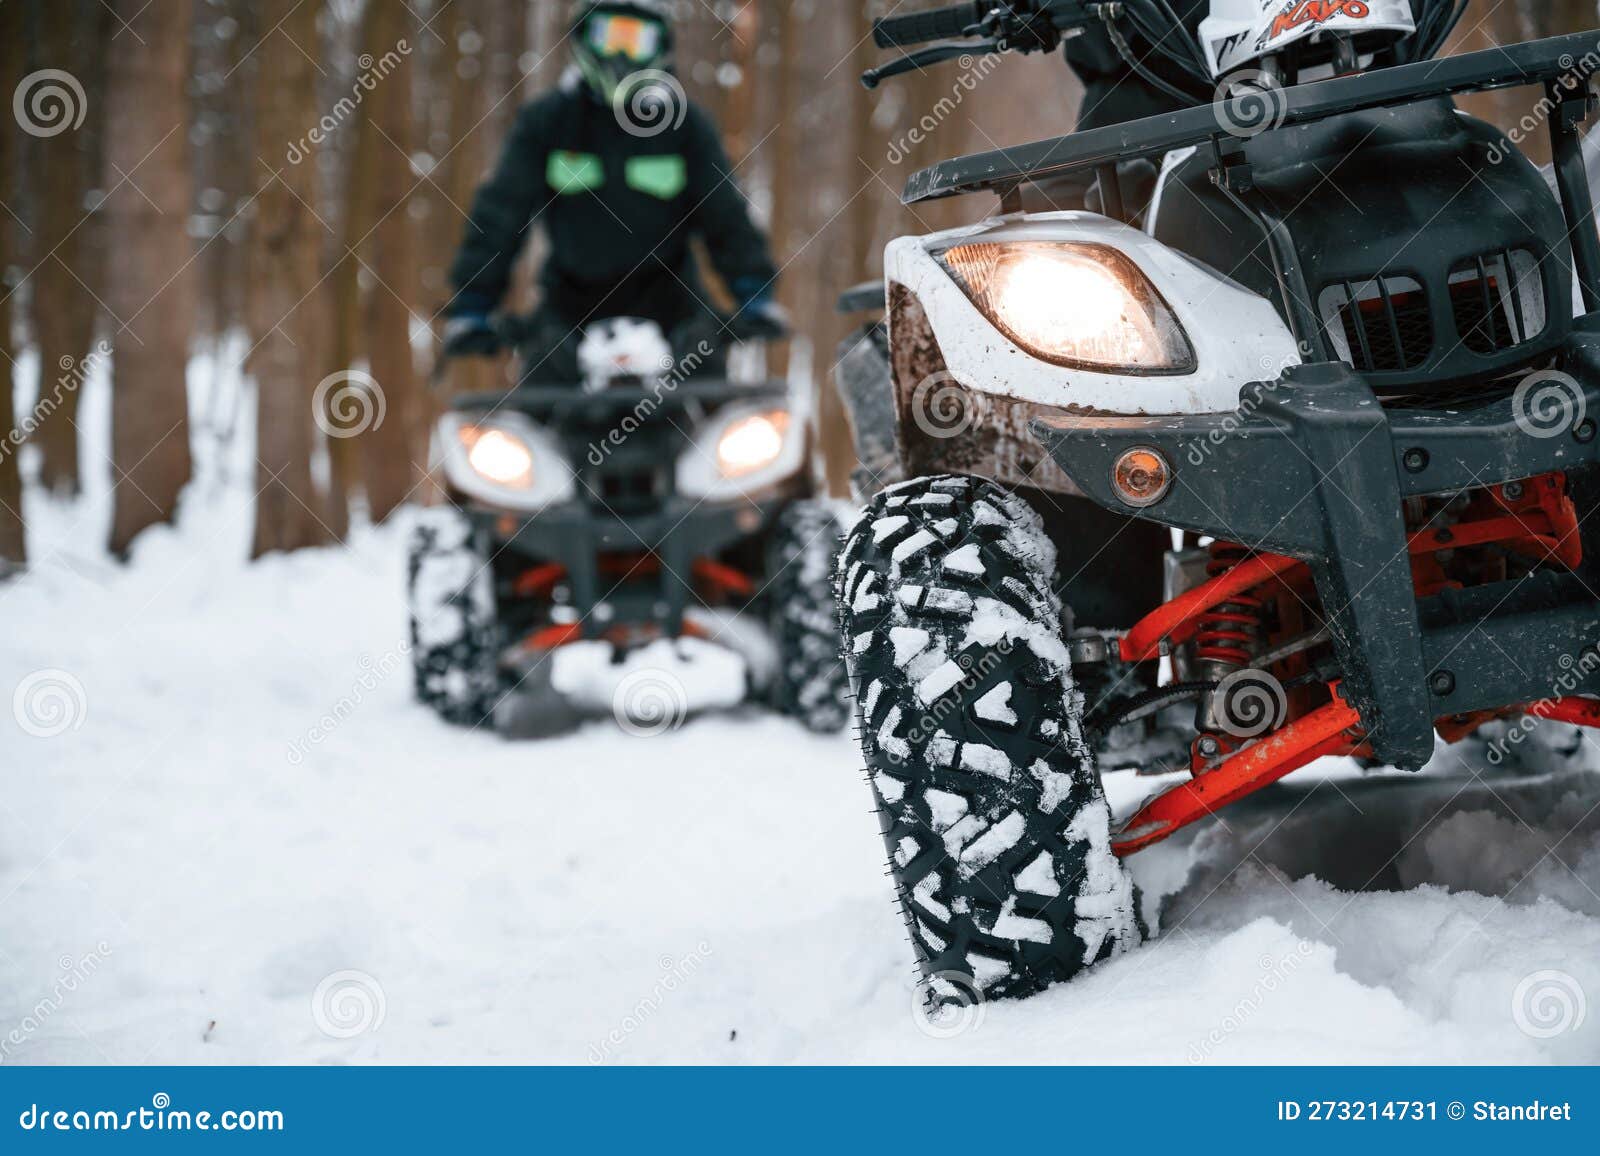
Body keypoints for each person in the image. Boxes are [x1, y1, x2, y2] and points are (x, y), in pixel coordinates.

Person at [443, 0, 784, 382]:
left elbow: (725, 215)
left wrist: (755, 295)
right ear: (585, 38)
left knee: (720, 414)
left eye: (637, 40)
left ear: (660, 47)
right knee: (529, 415)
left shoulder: (685, 126)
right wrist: (473, 304)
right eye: (611, 36)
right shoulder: (548, 122)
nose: (621, 53)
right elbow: (502, 210)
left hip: (674, 305)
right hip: (568, 308)